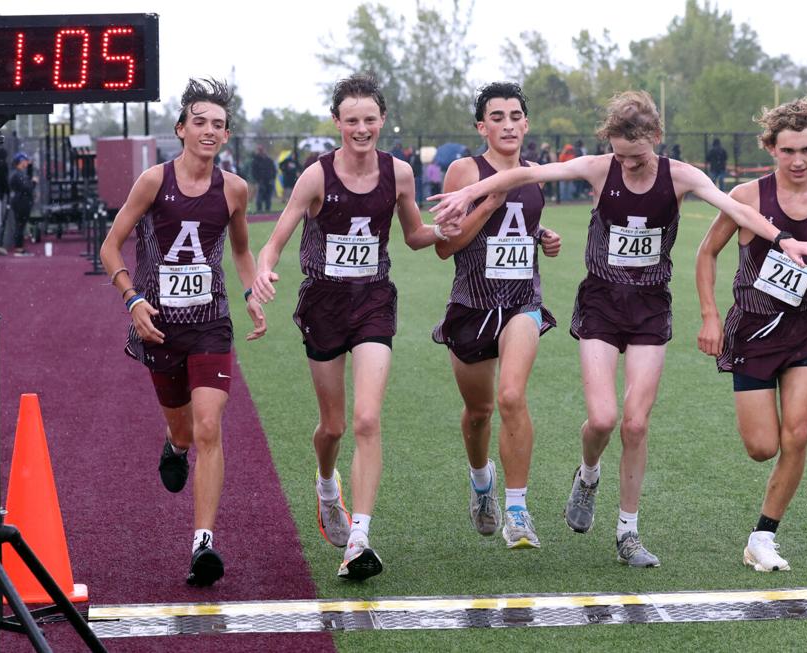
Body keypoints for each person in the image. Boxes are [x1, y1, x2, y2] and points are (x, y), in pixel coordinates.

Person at [431, 91, 807, 567]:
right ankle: (588, 473)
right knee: (603, 419)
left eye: (638, 157)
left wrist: (783, 240)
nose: (628, 164)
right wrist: (470, 193)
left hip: (650, 307)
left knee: (636, 423)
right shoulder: (600, 169)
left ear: (656, 139)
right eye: (621, 156)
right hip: (601, 304)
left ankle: (628, 533)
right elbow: (527, 174)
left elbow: (739, 210)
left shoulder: (680, 176)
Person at [251, 73, 459, 581]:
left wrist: (442, 230)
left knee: (367, 419)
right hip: (323, 304)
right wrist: (263, 270)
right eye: (351, 121)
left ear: (382, 120)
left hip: (373, 302)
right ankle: (327, 487)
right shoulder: (316, 177)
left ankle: (360, 537)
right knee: (334, 426)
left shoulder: (400, 173)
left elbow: (413, 235)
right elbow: (275, 240)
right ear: (336, 122)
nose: (361, 129)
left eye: (369, 119)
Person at [99, 78, 268, 587]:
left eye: (218, 124)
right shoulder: (153, 181)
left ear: (227, 134)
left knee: (209, 427)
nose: (209, 131)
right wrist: (133, 300)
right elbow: (110, 247)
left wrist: (251, 292)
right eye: (200, 122)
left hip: (211, 324)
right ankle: (173, 447)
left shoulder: (234, 189)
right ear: (181, 129)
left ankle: (202, 544)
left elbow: (241, 250)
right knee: (184, 430)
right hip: (160, 328)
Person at [696, 98, 807, 572]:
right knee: (762, 447)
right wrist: (710, 316)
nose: (799, 160)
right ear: (771, 148)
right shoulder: (748, 197)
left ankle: (763, 536)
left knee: (798, 433)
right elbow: (706, 253)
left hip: (804, 332)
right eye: (788, 151)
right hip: (751, 332)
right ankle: (762, 531)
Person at [432, 82, 562, 550]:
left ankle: (518, 510)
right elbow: (445, 246)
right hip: (472, 305)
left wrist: (542, 236)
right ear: (481, 127)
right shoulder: (465, 171)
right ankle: (481, 480)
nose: (508, 125)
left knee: (511, 396)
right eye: (497, 117)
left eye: (515, 116)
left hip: (522, 301)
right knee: (479, 413)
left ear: (526, 124)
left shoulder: (536, 173)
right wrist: (488, 202)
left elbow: (521, 224)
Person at [8, 152, 36, 256]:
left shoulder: (18, 173)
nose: (27, 163)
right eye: (25, 161)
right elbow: (27, 187)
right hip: (21, 202)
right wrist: (33, 183)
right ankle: (19, 248)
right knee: (20, 225)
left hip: (21, 201)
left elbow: (27, 181)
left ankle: (19, 247)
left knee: (20, 225)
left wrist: (30, 168)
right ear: (21, 161)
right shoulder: (17, 174)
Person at [249, 145, 277, 214]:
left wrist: (272, 177)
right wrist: (258, 179)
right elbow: (254, 172)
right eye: (260, 150)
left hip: (269, 180)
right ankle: (259, 209)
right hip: (261, 181)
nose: (261, 152)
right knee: (260, 196)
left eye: (262, 150)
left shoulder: (269, 160)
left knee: (268, 196)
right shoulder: (256, 161)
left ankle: (267, 209)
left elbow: (274, 170)